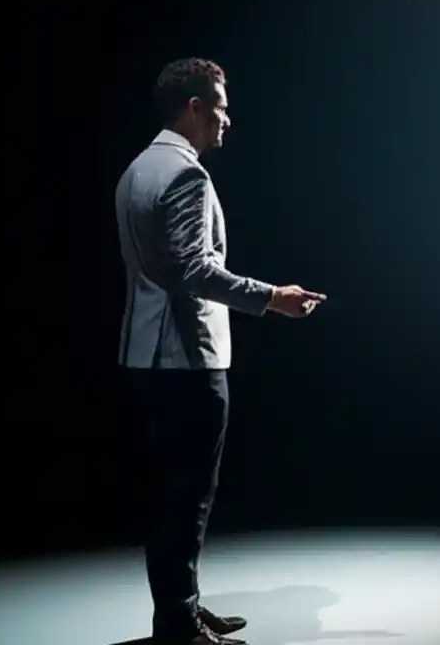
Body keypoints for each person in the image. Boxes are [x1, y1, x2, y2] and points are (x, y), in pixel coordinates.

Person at [115, 58, 327, 645]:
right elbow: (193, 270)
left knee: (175, 491)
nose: (227, 118)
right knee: (189, 494)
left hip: (145, 356)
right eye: (221, 105)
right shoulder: (187, 176)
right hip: (186, 359)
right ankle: (179, 623)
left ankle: (182, 608)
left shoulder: (136, 170)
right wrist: (272, 298)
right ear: (194, 107)